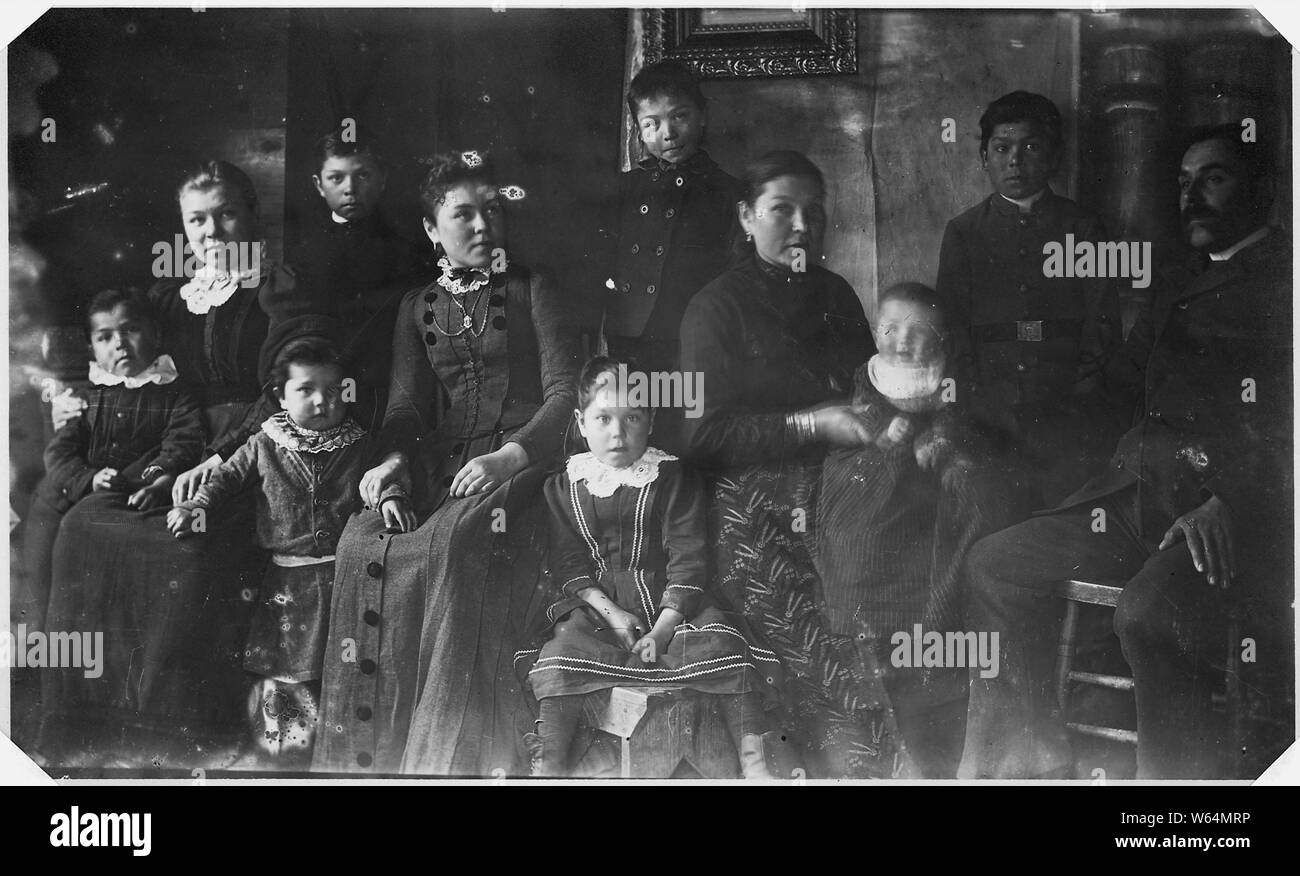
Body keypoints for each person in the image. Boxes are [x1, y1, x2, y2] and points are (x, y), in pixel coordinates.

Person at [958, 124, 1292, 779]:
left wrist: (1232, 498)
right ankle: (1031, 759)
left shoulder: (1286, 283)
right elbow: (1118, 383)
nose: (1192, 196)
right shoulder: (1181, 278)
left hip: (1236, 522)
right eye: (1183, 183)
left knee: (1147, 614)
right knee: (995, 564)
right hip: (1138, 500)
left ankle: (1174, 789)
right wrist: (1011, 429)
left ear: (1263, 189)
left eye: (1214, 179)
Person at [313, 151, 581, 775]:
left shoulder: (532, 288)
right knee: (360, 539)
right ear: (433, 229)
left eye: (493, 209)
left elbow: (565, 394)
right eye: (464, 214)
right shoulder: (417, 306)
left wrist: (508, 460)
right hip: (442, 461)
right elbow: (406, 408)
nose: (484, 225)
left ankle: (442, 760)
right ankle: (365, 758)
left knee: (458, 543)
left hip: (526, 458)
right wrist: (394, 464)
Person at [39, 161, 294, 765]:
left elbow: (279, 389)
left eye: (227, 213)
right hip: (166, 452)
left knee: (190, 546)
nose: (213, 231)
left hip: (252, 452)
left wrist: (213, 461)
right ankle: (92, 723)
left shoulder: (275, 291)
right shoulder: (166, 298)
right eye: (197, 220)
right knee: (83, 529)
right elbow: (125, 362)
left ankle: (183, 730)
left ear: (252, 215)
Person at [681, 150, 904, 778]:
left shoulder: (833, 293)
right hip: (747, 495)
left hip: (837, 483)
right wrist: (808, 423)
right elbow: (702, 434)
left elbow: (867, 389)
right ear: (748, 217)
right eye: (783, 210)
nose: (802, 225)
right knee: (819, 628)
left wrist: (883, 415)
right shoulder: (714, 307)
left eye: (815, 212)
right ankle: (846, 763)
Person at [518, 357, 780, 778]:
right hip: (597, 609)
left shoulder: (670, 476)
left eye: (632, 417)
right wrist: (614, 615)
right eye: (603, 418)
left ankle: (755, 763)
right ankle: (548, 765)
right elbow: (568, 565)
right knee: (560, 659)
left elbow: (689, 560)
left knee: (723, 650)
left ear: (651, 420)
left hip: (674, 606)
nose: (618, 433)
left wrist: (661, 630)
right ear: (581, 422)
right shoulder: (564, 485)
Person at [169, 327, 384, 766]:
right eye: (306, 390)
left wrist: (391, 493)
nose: (323, 402)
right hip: (288, 581)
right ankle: (282, 757)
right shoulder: (264, 444)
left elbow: (382, 478)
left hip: (343, 577)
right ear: (281, 396)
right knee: (285, 671)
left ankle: (334, 754)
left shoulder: (358, 443)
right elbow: (225, 478)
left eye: (332, 390)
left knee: (340, 665)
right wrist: (197, 507)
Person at [935, 91, 1124, 509]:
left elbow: (1103, 320)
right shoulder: (964, 232)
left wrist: (1081, 393)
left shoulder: (1083, 226)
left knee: (1062, 509)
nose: (1015, 161)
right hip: (990, 407)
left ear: (1053, 156)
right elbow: (952, 325)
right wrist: (974, 398)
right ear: (985, 157)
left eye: (1031, 147)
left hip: (1066, 404)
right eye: (1002, 148)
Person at [17, 290, 204, 634]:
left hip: (132, 490)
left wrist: (157, 477)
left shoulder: (174, 393)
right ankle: (39, 632)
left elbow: (182, 446)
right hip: (82, 486)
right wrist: (87, 478)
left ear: (156, 334)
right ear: (93, 347)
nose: (119, 343)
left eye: (130, 329)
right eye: (105, 337)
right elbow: (60, 452)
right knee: (43, 527)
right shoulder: (88, 396)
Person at [600, 60, 742, 453]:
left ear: (702, 116)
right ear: (639, 130)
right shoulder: (626, 190)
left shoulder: (727, 193)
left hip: (691, 341)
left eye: (679, 116)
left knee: (685, 437)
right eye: (652, 123)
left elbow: (735, 275)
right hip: (629, 337)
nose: (668, 133)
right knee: (633, 433)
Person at [285, 126, 426, 434]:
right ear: (319, 185)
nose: (350, 188)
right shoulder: (303, 256)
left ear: (382, 179)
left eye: (362, 175)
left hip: (386, 386)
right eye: (336, 178)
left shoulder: (406, 251)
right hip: (325, 392)